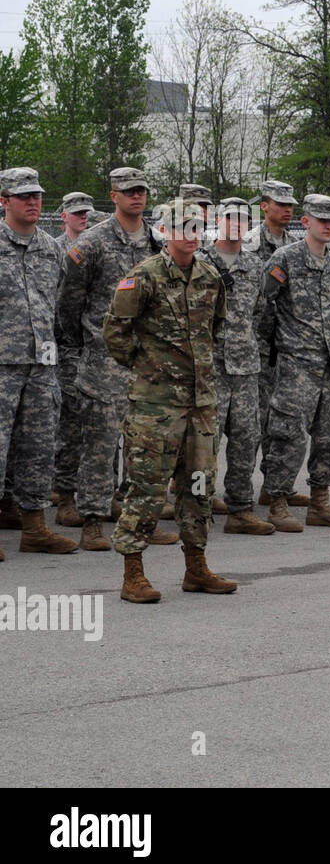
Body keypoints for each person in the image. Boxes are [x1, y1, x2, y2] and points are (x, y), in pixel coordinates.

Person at [104, 198, 233, 602]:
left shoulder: (210, 277)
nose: (192, 236)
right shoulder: (143, 277)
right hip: (156, 407)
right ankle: (133, 573)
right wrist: (149, 370)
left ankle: (196, 568)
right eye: (184, 228)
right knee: (147, 487)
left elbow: (215, 328)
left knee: (198, 488)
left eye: (198, 228)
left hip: (201, 405)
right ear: (165, 231)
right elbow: (116, 333)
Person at [55, 167, 173, 552]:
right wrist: (84, 348)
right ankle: (92, 519)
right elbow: (68, 304)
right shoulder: (91, 244)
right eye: (128, 191)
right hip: (104, 360)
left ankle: (139, 520)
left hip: (146, 362)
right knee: (100, 444)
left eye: (141, 190)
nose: (136, 197)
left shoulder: (156, 243)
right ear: (114, 196)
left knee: (144, 447)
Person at [259, 193, 330, 531]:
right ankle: (278, 502)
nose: (329, 227)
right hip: (296, 364)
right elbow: (262, 307)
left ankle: (320, 503)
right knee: (288, 434)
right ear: (306, 223)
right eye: (322, 221)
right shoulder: (285, 259)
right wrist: (277, 348)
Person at [0, 167, 78, 560]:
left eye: (36, 196)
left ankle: (34, 528)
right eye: (23, 196)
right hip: (2, 366)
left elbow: (59, 305)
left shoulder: (52, 248)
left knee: (39, 447)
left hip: (43, 365)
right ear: (4, 201)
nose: (32, 202)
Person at [197, 199, 275, 535]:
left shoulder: (255, 266)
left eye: (244, 219)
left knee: (246, 438)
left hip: (245, 368)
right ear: (218, 220)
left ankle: (241, 508)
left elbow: (259, 313)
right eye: (231, 218)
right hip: (209, 369)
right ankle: (197, 507)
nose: (237, 224)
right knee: (203, 444)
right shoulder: (201, 263)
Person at [247, 180, 311, 508]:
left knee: (283, 422)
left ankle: (274, 485)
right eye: (280, 204)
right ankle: (240, 491)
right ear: (264, 206)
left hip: (285, 349)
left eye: (290, 205)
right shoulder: (248, 245)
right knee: (253, 422)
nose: (287, 209)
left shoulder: (297, 247)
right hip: (254, 346)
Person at [49, 193, 96, 525]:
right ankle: (63, 489)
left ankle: (98, 491)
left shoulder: (99, 247)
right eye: (77, 213)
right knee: (70, 422)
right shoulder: (54, 250)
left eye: (87, 213)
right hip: (64, 347)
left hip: (96, 348)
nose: (83, 218)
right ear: (64, 215)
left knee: (102, 425)